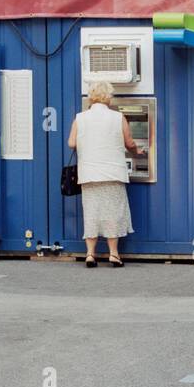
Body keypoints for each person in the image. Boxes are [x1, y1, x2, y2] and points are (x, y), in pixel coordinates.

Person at [68, 80, 139, 268]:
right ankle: (114, 255)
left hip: (90, 173)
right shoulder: (117, 117)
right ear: (108, 96)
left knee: (92, 213)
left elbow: (72, 143)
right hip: (112, 172)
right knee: (112, 213)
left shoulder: (80, 117)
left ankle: (90, 254)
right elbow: (130, 143)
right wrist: (137, 152)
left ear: (91, 96)